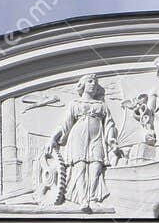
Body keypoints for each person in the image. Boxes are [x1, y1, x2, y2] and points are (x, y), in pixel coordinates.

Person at [49, 73, 119, 209]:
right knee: (79, 166)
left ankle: (92, 197)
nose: (93, 84)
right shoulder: (75, 104)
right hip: (78, 136)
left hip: (97, 136)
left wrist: (111, 139)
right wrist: (53, 138)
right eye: (90, 81)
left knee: (97, 166)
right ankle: (82, 199)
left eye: (95, 82)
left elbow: (109, 124)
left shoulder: (101, 105)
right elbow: (66, 124)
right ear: (82, 85)